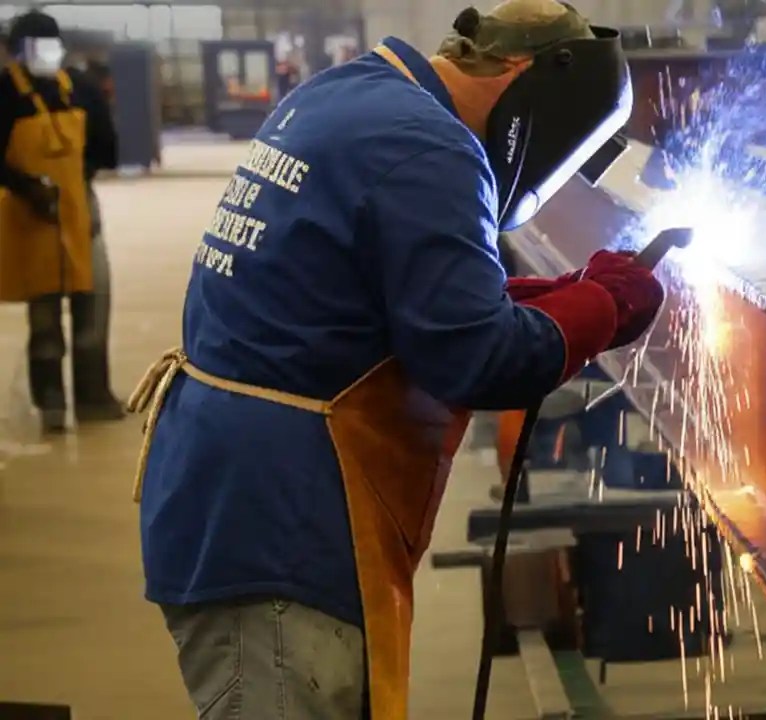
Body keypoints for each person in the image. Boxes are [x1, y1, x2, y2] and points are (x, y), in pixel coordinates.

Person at [126, 1, 659, 718]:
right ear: (534, 83)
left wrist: (548, 296)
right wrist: (601, 310)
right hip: (282, 528)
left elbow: (381, 287)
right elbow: (476, 358)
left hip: (227, 495)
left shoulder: (352, 92)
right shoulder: (431, 146)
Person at [0, 10, 122, 433]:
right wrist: (27, 185)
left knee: (93, 300)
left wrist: (75, 177)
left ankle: (93, 397)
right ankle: (51, 401)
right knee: (44, 312)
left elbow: (108, 149)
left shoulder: (82, 89)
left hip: (78, 208)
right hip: (29, 213)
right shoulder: (3, 93)